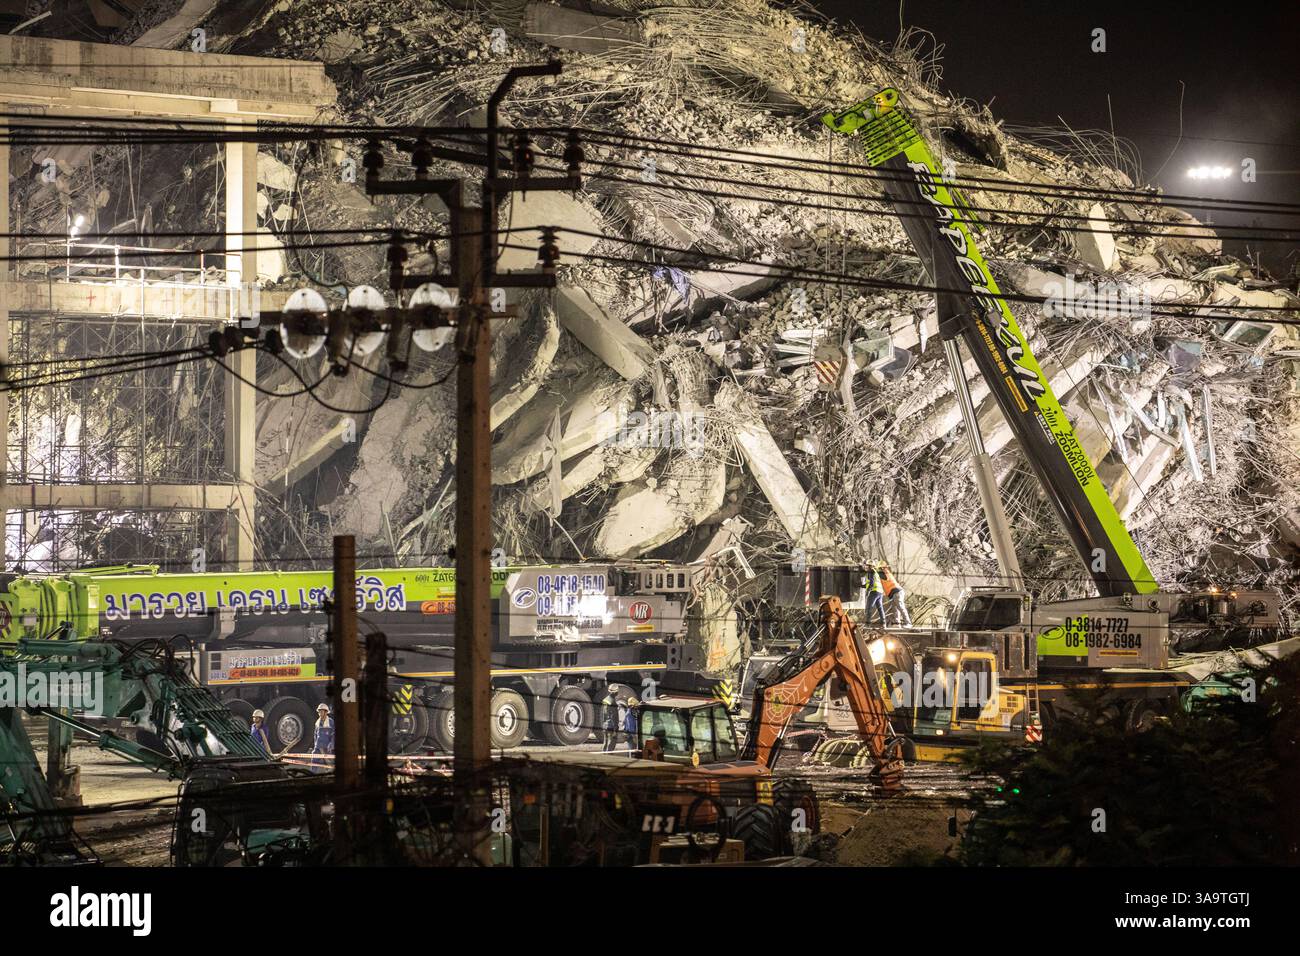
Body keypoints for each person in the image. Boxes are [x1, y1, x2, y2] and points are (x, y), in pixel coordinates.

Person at [311, 703, 335, 771]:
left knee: (328, 765)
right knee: (314, 761)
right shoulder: (317, 723)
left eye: (321, 712)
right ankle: (312, 776)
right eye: (319, 712)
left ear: (326, 712)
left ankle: (329, 777)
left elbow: (333, 734)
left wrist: (331, 744)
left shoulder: (331, 722)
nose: (320, 714)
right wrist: (315, 745)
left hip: (327, 747)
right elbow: (315, 735)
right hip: (318, 747)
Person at [863, 563, 886, 628]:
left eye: (867, 566)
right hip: (880, 592)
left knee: (868, 608)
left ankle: (867, 624)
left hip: (874, 592)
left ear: (869, 566)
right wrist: (860, 585)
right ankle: (883, 624)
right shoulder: (875, 572)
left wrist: (868, 591)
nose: (865, 567)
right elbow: (869, 583)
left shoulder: (870, 572)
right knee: (880, 608)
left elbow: (872, 583)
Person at [601, 686, 619, 752]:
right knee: (611, 744)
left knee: (605, 743)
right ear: (615, 692)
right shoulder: (612, 702)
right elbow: (614, 716)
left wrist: (603, 724)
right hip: (611, 726)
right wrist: (615, 729)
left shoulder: (605, 700)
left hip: (605, 725)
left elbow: (603, 713)